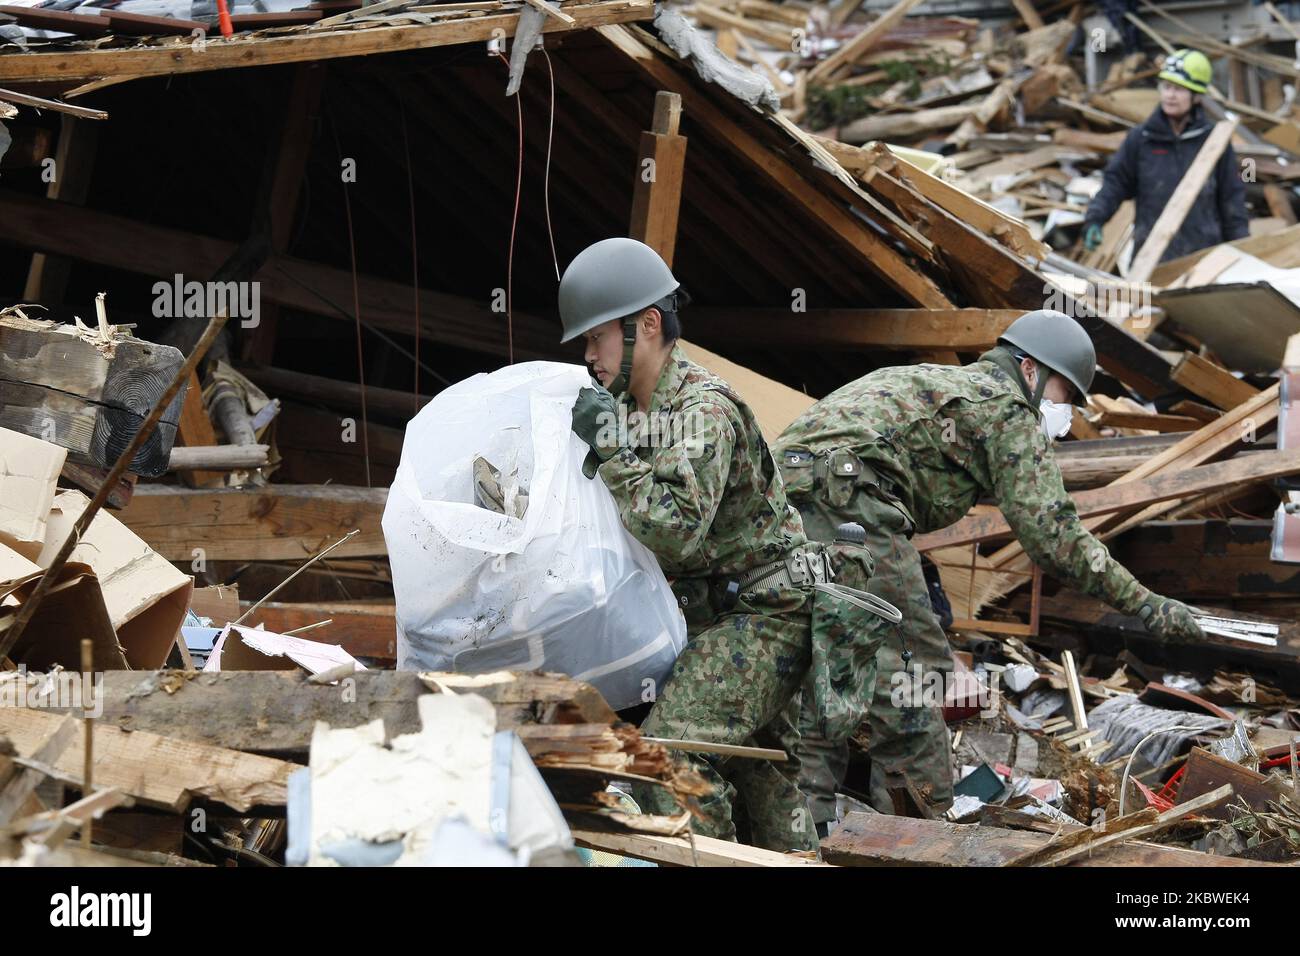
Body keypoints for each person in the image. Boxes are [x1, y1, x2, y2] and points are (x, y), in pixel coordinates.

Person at [773, 309, 1205, 830]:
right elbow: (1053, 535)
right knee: (916, 676)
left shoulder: (930, 381)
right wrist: (1144, 603)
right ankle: (920, 843)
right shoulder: (1007, 409)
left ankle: (804, 833)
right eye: (1065, 394)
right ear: (1030, 371)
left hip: (784, 509)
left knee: (827, 662)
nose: (1064, 414)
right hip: (850, 512)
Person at [560, 237, 882, 852]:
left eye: (597, 337)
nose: (589, 354)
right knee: (755, 770)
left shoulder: (703, 410)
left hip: (768, 614)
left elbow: (676, 527)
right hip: (721, 616)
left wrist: (612, 448)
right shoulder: (629, 407)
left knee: (671, 755)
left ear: (646, 326)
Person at [1083, 48, 1248, 263]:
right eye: (1167, 87)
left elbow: (1231, 198)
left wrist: (1240, 248)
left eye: (1179, 89)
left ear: (1196, 96)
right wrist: (1095, 219)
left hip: (1202, 257)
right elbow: (1116, 183)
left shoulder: (1213, 141)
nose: (1170, 95)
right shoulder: (1141, 139)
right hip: (1151, 259)